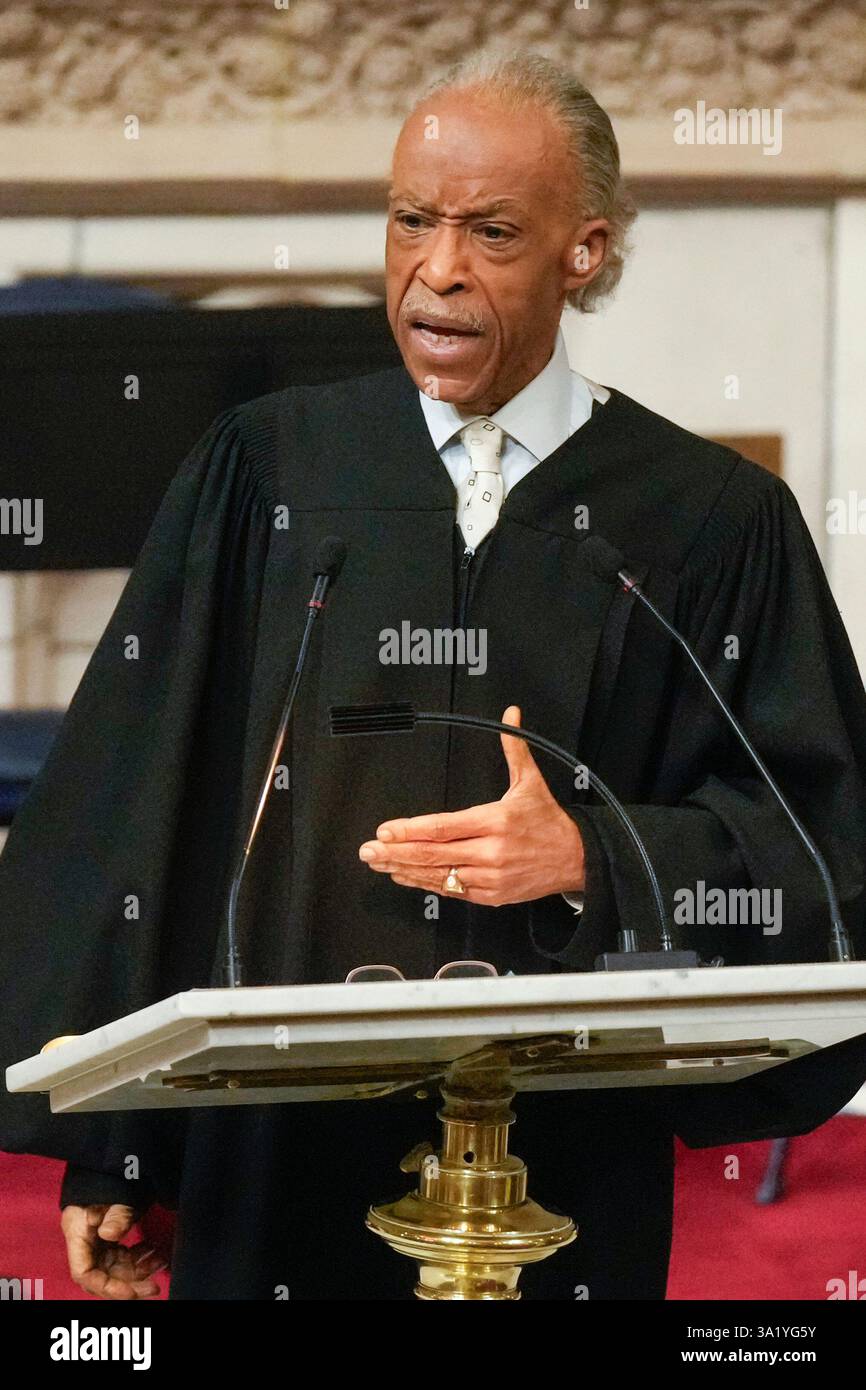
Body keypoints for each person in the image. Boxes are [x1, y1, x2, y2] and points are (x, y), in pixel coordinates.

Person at [2, 51, 865, 1302]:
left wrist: (595, 855)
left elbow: (820, 847)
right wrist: (120, 1147)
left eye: (490, 230)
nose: (436, 269)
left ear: (585, 252)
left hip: (567, 1146)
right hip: (274, 1138)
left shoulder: (707, 521)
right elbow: (146, 806)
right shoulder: (270, 473)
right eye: (411, 218)